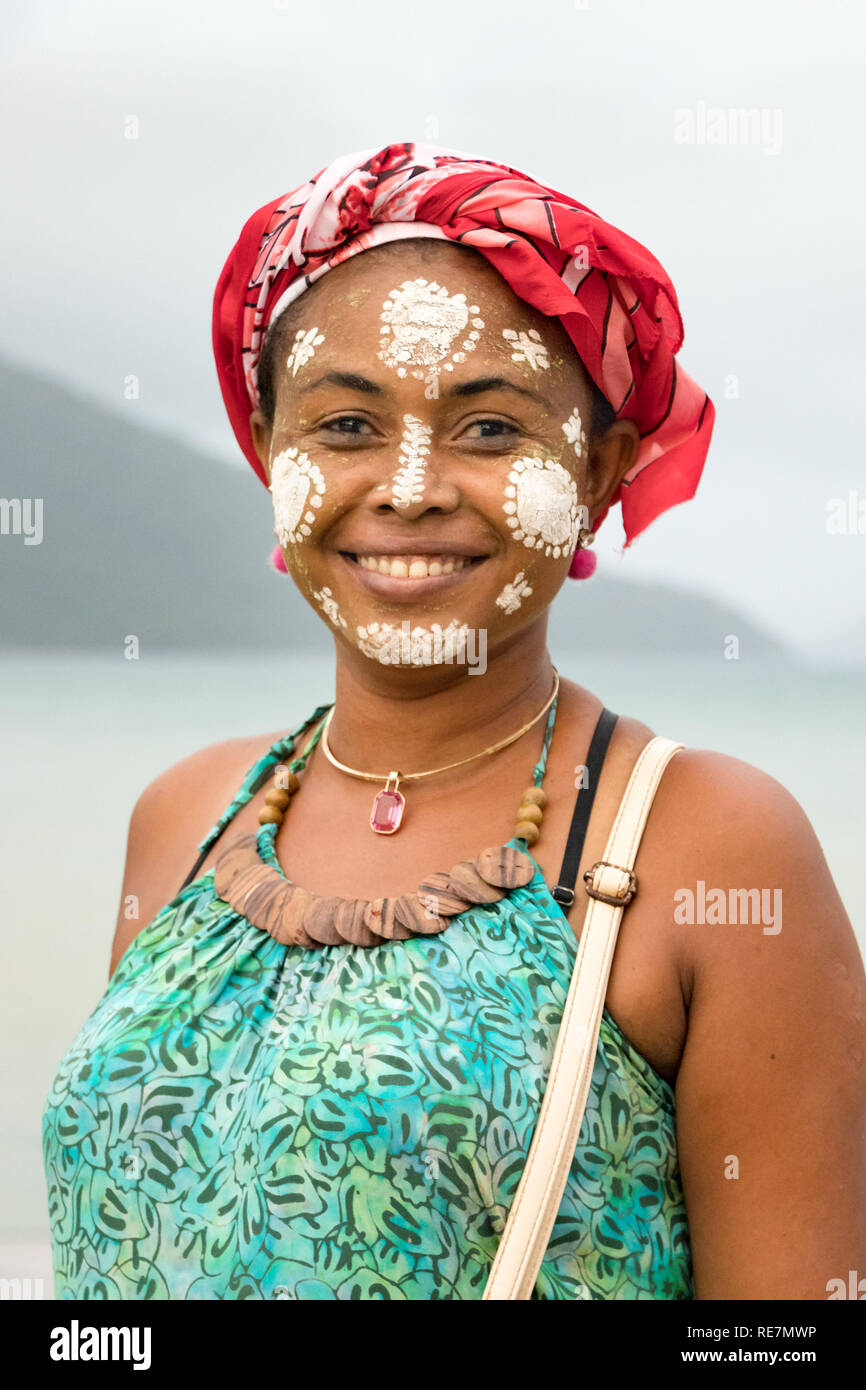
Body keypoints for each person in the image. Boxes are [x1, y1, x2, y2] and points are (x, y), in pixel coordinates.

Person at [42, 142, 865, 1301]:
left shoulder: (705, 843)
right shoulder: (185, 819)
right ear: (269, 454)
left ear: (599, 467)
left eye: (488, 429)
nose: (412, 484)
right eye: (342, 427)